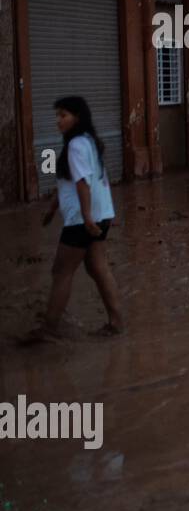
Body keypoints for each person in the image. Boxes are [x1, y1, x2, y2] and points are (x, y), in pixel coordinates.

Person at [25, 96, 124, 342]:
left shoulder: (76, 145)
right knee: (97, 267)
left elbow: (82, 183)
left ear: (77, 117)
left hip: (83, 219)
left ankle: (49, 329)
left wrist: (87, 217)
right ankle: (116, 323)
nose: (58, 120)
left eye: (63, 115)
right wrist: (52, 209)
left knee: (61, 270)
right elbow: (75, 180)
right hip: (99, 215)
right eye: (57, 115)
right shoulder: (89, 141)